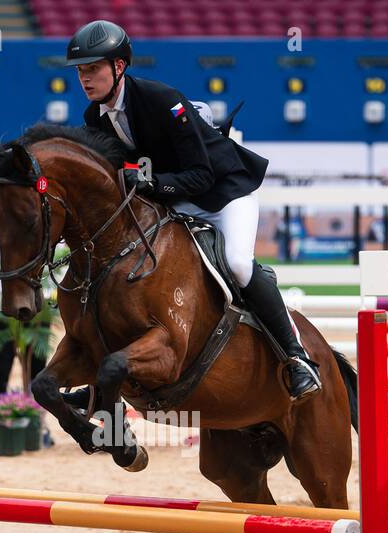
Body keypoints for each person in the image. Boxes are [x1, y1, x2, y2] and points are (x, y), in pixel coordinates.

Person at [67, 19, 321, 401]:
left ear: (119, 67)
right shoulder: (93, 119)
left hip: (222, 193)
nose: (85, 79)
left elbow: (201, 174)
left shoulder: (161, 100)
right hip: (176, 203)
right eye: (81, 71)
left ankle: (297, 358)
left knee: (237, 263)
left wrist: (152, 184)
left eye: (93, 69)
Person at [0, 216, 51, 446]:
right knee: (22, 362)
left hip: (8, 296)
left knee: (12, 361)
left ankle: (27, 423)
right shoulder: (42, 215)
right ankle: (26, 424)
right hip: (20, 296)